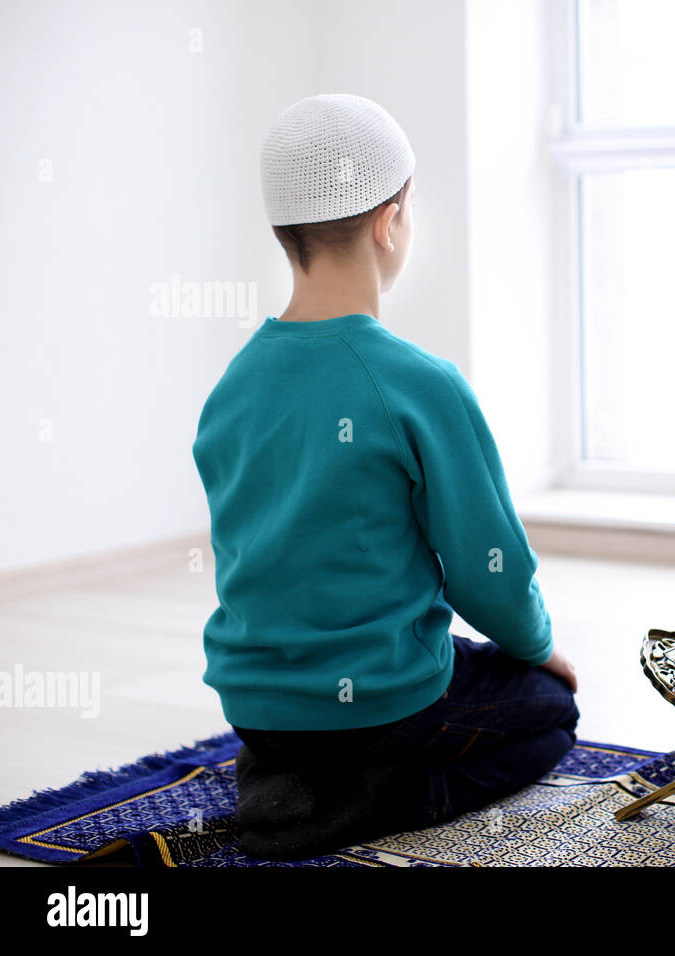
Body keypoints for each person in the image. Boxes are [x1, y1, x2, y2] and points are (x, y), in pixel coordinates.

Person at [191, 93, 579, 861]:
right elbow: (487, 570)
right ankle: (388, 794)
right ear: (387, 220)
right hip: (377, 706)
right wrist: (537, 647)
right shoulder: (419, 384)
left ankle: (292, 773)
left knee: (453, 673)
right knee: (547, 711)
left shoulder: (231, 386)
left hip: (255, 705)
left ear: (285, 232)